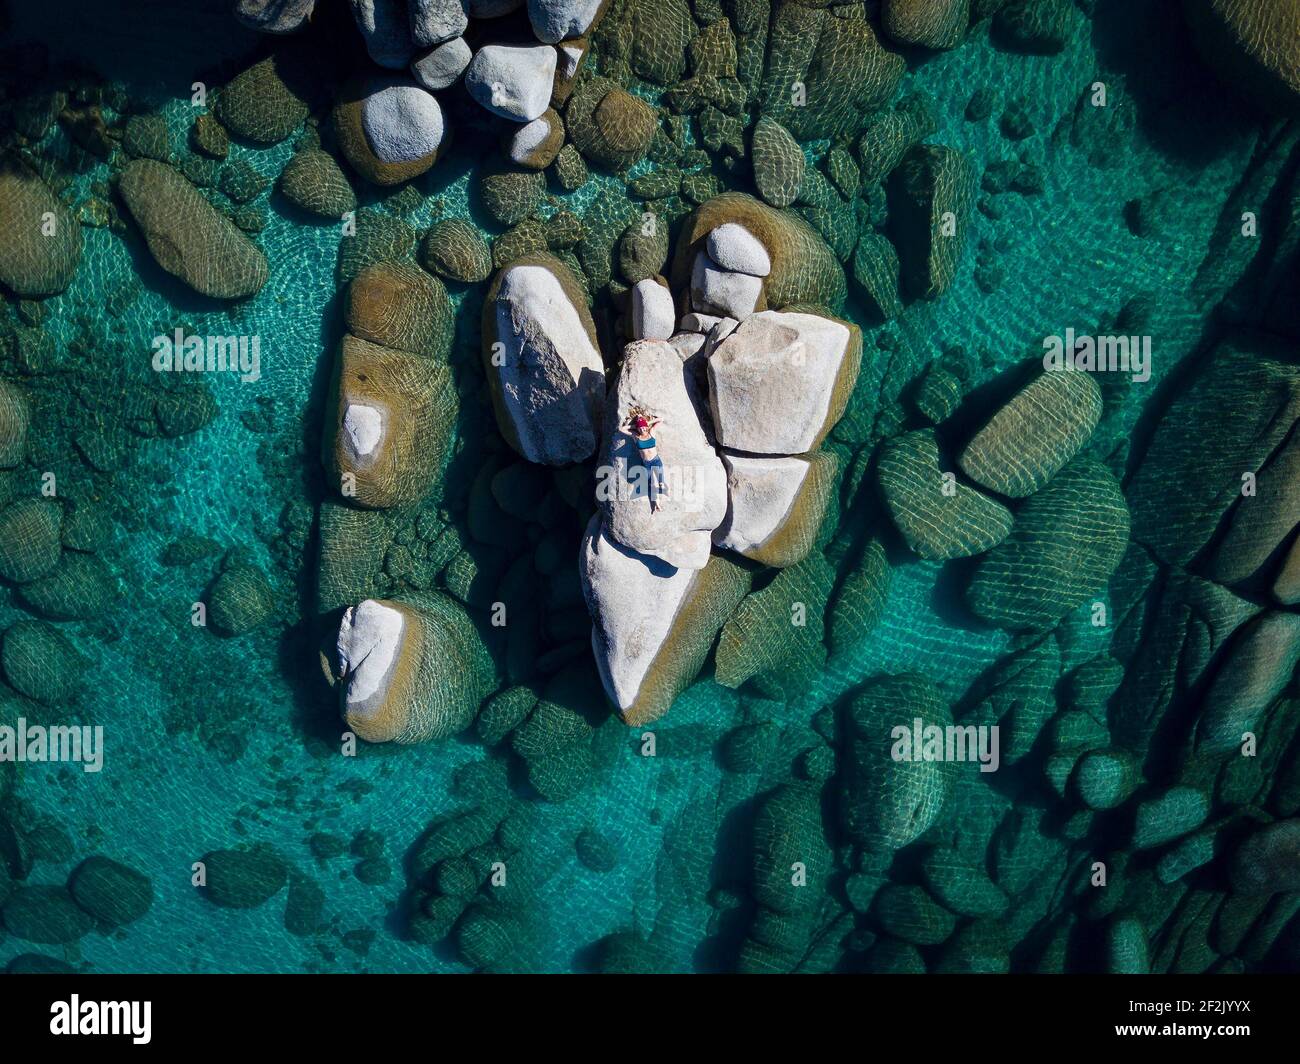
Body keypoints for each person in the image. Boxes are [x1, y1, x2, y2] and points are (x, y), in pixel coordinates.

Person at [623, 410, 668, 510]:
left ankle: (661, 491)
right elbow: (622, 429)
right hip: (646, 463)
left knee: (660, 483)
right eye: (640, 427)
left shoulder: (651, 432)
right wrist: (634, 426)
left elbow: (661, 419)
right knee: (652, 483)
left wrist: (648, 423)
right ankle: (657, 504)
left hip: (656, 461)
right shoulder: (636, 436)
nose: (642, 429)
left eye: (643, 427)